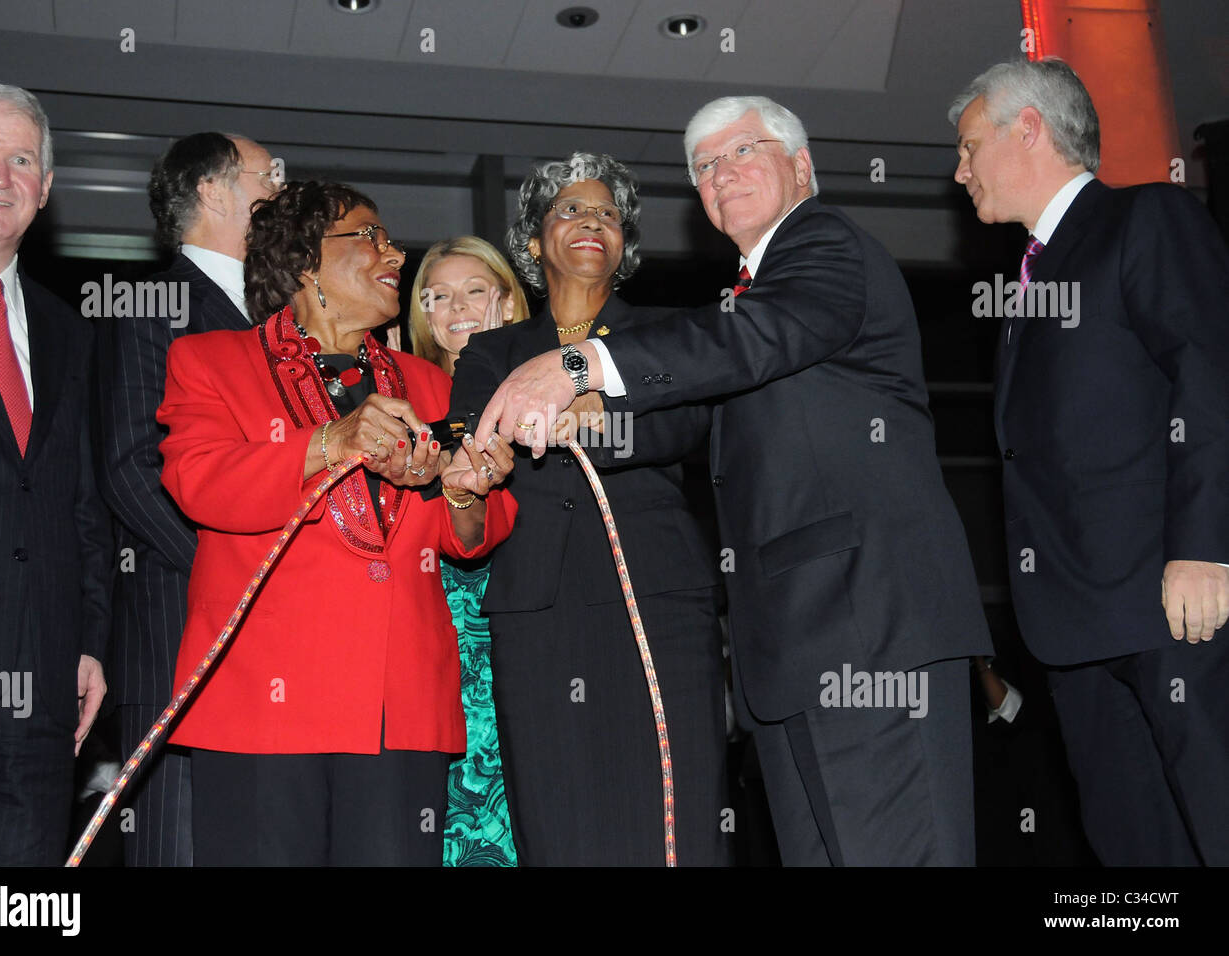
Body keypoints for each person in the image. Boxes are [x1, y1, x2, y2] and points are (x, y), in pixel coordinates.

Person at [476, 102, 993, 866]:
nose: (722, 174)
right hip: (789, 658)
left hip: (869, 633)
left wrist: (582, 363)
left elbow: (749, 341)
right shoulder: (745, 300)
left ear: (803, 166)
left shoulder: (823, 243)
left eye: (743, 151)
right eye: (705, 167)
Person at [155, 181, 517, 865]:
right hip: (261, 707)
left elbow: (469, 536)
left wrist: (465, 491)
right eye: (369, 236)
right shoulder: (210, 362)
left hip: (399, 706)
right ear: (303, 263)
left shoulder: (434, 383)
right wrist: (333, 440)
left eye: (389, 238)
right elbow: (199, 482)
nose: (394, 252)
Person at [949, 58, 1229, 864]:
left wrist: (1205, 545)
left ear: (1028, 129)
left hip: (1170, 606)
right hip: (1075, 632)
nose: (959, 170)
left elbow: (1211, 377)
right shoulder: (1029, 281)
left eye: (969, 146)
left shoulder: (1147, 220)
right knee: (1137, 855)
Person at [449, 153, 730, 866]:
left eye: (607, 213)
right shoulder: (493, 351)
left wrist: (597, 420)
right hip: (536, 609)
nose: (591, 222)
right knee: (558, 817)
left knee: (677, 815)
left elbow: (686, 426)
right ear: (536, 242)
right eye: (570, 210)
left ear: (624, 244)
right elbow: (474, 437)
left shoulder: (667, 332)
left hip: (656, 601)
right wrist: (473, 465)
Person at [0, 82, 112, 864]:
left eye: (21, 160)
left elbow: (81, 500)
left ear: (44, 189)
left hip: (38, 699)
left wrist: (90, 641)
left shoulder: (70, 332)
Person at [94, 131, 281, 868]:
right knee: (178, 837)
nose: (282, 190)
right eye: (270, 175)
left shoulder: (288, 319)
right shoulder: (149, 303)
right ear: (212, 189)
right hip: (180, 620)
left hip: (283, 637)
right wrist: (238, 568)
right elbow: (129, 467)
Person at [408, 237, 528, 866]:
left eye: (475, 290)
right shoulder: (398, 395)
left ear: (507, 303)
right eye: (438, 295)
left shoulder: (543, 387)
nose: (456, 307)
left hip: (527, 617)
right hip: (429, 626)